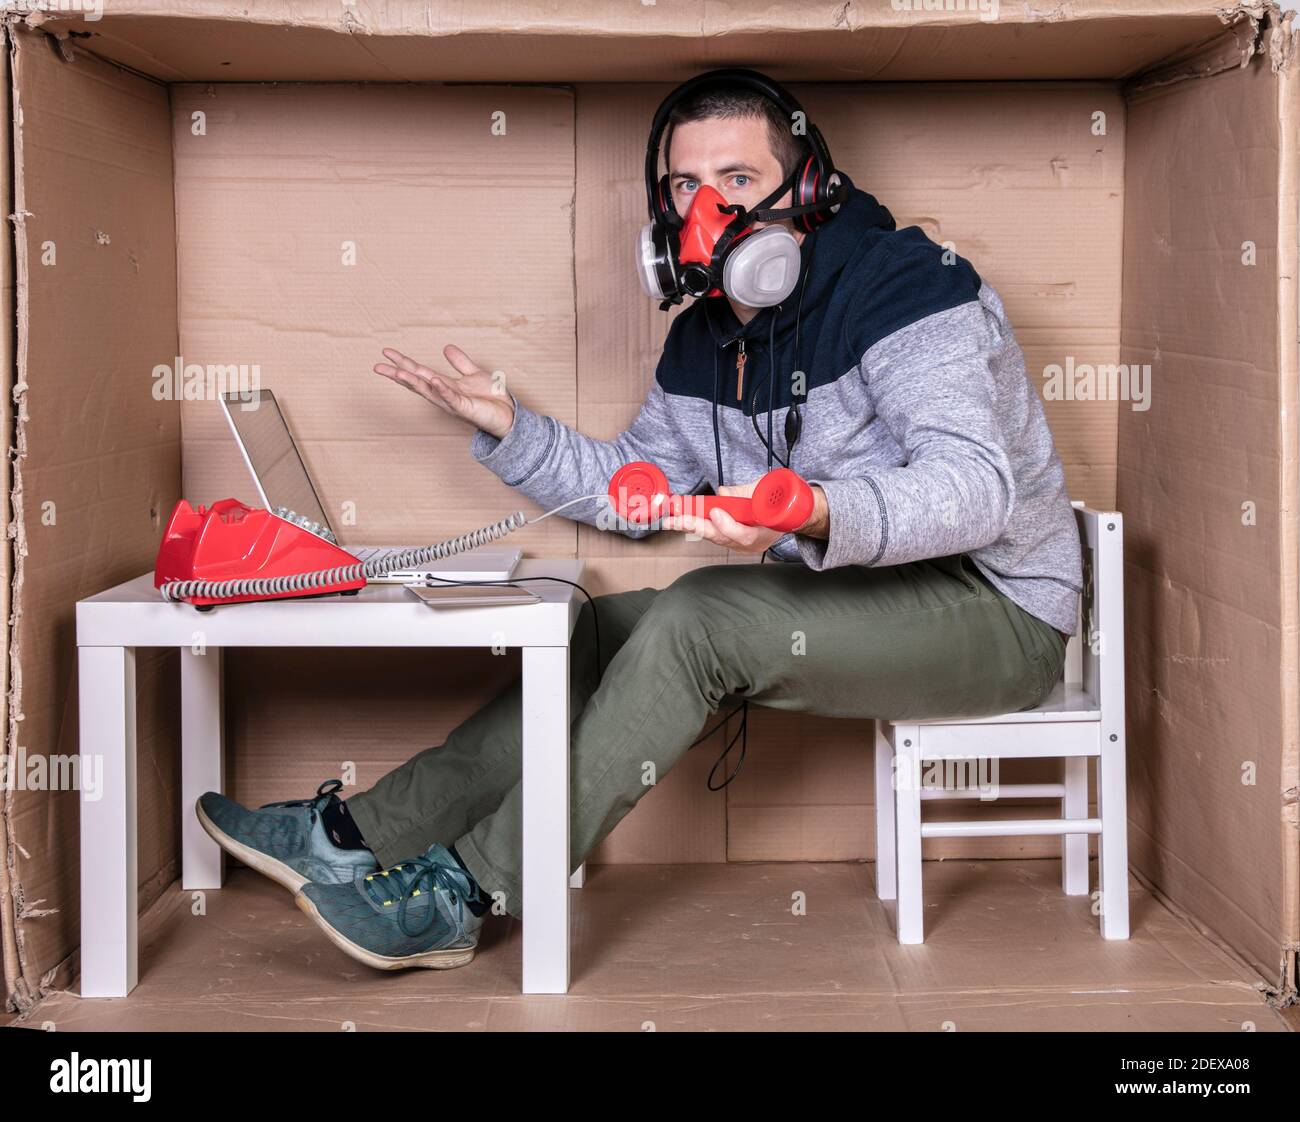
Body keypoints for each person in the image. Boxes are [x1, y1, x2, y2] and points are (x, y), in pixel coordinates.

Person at [196, 69, 1081, 972]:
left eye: (737, 180)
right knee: (587, 628)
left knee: (698, 615)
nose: (709, 209)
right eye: (686, 187)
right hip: (865, 596)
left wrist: (811, 510)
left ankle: (465, 891)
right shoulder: (706, 334)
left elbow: (977, 489)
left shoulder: (904, 285)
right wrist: (511, 429)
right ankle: (356, 835)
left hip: (997, 608)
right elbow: (633, 489)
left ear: (805, 186)